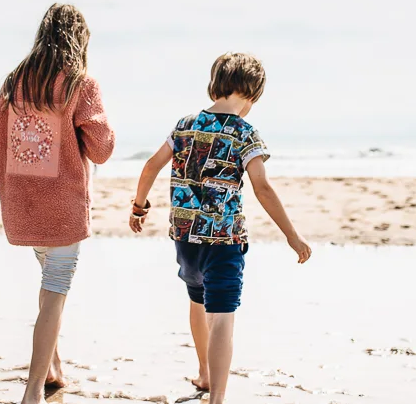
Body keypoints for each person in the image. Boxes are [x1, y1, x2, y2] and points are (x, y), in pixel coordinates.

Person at [128, 52, 311, 404]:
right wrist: (292, 234)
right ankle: (217, 398)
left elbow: (151, 166)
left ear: (215, 85)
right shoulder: (245, 133)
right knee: (223, 313)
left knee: (198, 300)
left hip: (185, 238)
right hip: (224, 239)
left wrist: (139, 206)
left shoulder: (184, 124)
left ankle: (204, 373)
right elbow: (262, 187)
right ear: (254, 94)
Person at [0, 3, 115, 404]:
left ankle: (53, 369)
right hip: (62, 209)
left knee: (48, 289)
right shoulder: (80, 83)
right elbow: (102, 148)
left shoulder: (12, 82)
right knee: (55, 291)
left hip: (22, 206)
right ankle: (32, 391)